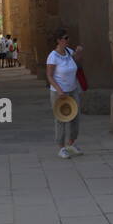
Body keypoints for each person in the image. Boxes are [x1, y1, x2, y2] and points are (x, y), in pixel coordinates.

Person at [46, 27, 84, 159]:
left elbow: (76, 62)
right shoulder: (53, 56)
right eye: (66, 38)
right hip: (59, 93)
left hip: (73, 90)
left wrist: (78, 53)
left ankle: (71, 144)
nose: (68, 40)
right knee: (61, 118)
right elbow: (49, 76)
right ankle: (61, 147)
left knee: (75, 117)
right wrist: (59, 90)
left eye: (68, 38)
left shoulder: (69, 51)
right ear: (59, 40)